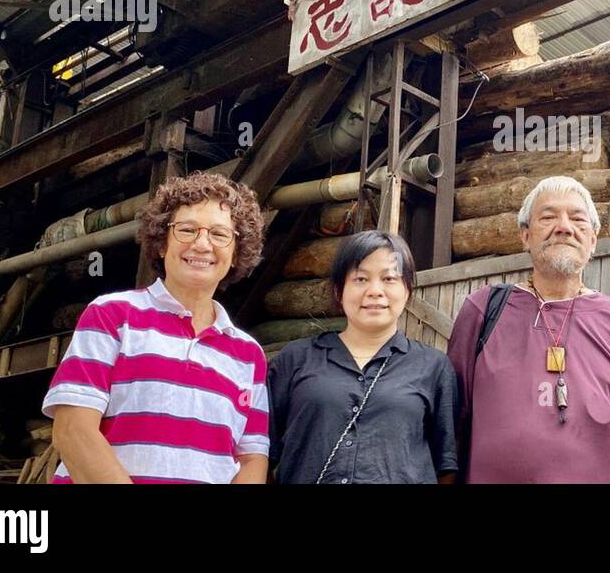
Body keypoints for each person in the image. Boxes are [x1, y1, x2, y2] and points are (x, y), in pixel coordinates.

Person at [44, 172, 270, 483]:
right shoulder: (112, 315)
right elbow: (72, 428)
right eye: (187, 230)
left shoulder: (249, 355)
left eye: (220, 235)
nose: (202, 244)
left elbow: (251, 459)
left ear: (235, 254)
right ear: (162, 244)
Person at [448, 176, 610, 483]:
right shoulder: (483, 311)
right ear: (525, 235)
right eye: (548, 217)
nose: (564, 227)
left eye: (578, 219)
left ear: (593, 239)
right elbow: (449, 431)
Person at [266, 230, 458, 483]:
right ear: (338, 290)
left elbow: (446, 466)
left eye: (389, 278)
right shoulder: (295, 359)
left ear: (408, 290)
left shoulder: (433, 367)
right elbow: (260, 453)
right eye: (360, 279)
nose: (375, 291)